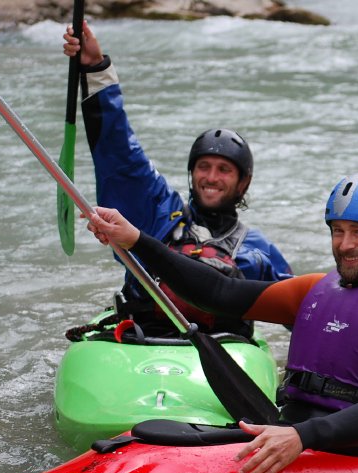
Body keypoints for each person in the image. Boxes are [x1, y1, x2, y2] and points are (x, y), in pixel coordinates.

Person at [86, 173, 358, 473]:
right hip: (289, 436)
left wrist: (299, 437)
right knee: (150, 432)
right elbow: (218, 293)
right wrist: (136, 240)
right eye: (338, 231)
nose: (345, 244)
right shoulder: (316, 291)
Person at [63, 21, 293, 337]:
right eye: (204, 167)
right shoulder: (158, 215)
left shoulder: (259, 252)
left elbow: (303, 314)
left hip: (223, 347)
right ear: (192, 173)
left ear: (243, 183)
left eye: (224, 170)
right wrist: (95, 67)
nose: (211, 177)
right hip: (144, 338)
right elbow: (121, 155)